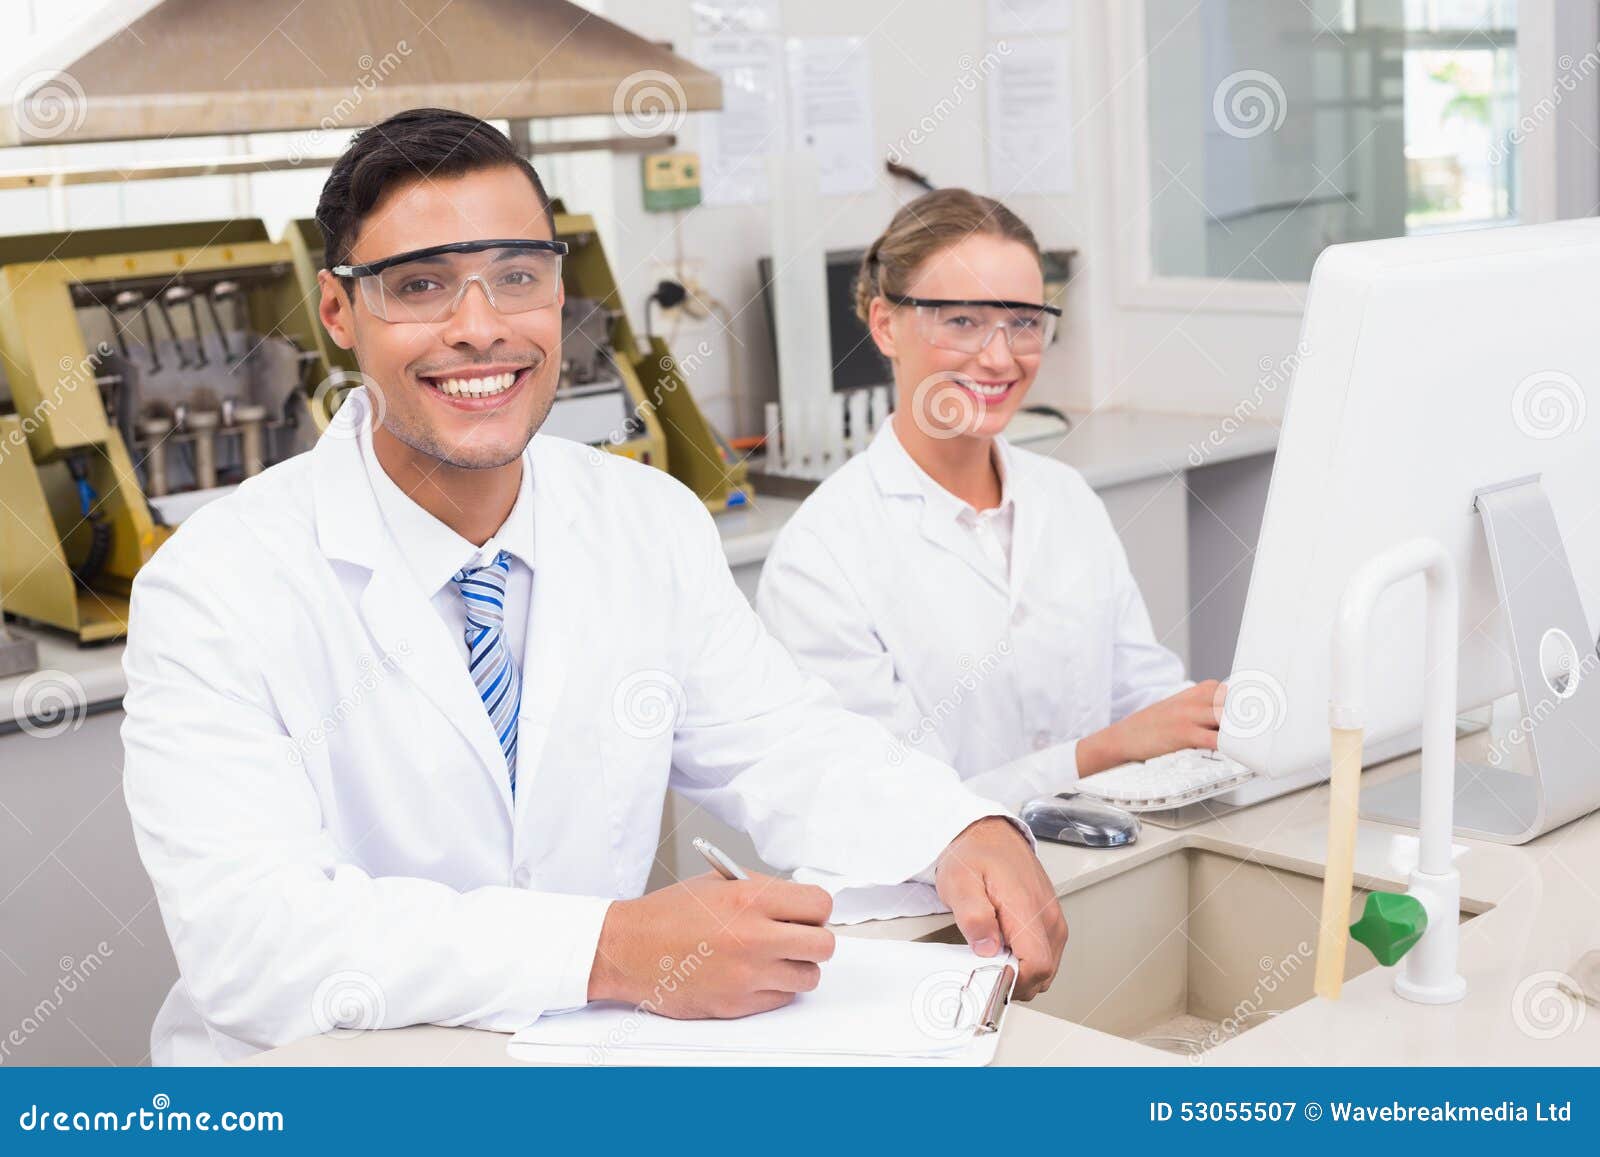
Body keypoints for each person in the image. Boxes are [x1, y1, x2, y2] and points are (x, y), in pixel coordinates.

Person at [120, 112, 1066, 1065]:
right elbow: (251, 946)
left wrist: (953, 825)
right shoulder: (213, 588)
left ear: (559, 291)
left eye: (517, 278)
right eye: (421, 286)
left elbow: (786, 744)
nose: (479, 327)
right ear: (337, 311)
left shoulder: (645, 523)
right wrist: (610, 948)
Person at [756, 189, 1224, 812]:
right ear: (885, 325)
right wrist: (1098, 753)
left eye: (1024, 322)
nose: (1000, 357)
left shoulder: (1065, 499)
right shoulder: (821, 555)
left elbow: (1143, 694)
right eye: (963, 321)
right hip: (926, 904)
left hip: (1096, 863)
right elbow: (887, 804)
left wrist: (1224, 719)